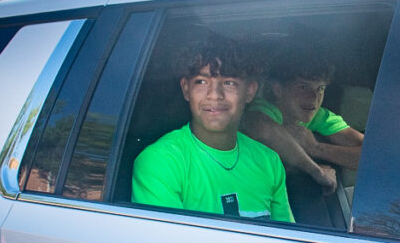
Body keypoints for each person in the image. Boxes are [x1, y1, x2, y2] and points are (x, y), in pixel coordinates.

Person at [132, 34, 293, 222]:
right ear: (186, 89)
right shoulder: (161, 161)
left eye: (229, 83)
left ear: (250, 91)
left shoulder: (268, 161)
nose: (214, 95)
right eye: (201, 81)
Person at [242, 50, 363, 194]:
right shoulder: (264, 110)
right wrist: (317, 172)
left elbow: (372, 156)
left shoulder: (319, 116)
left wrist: (316, 148)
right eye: (303, 87)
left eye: (320, 88)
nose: (313, 97)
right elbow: (263, 129)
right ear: (278, 89)